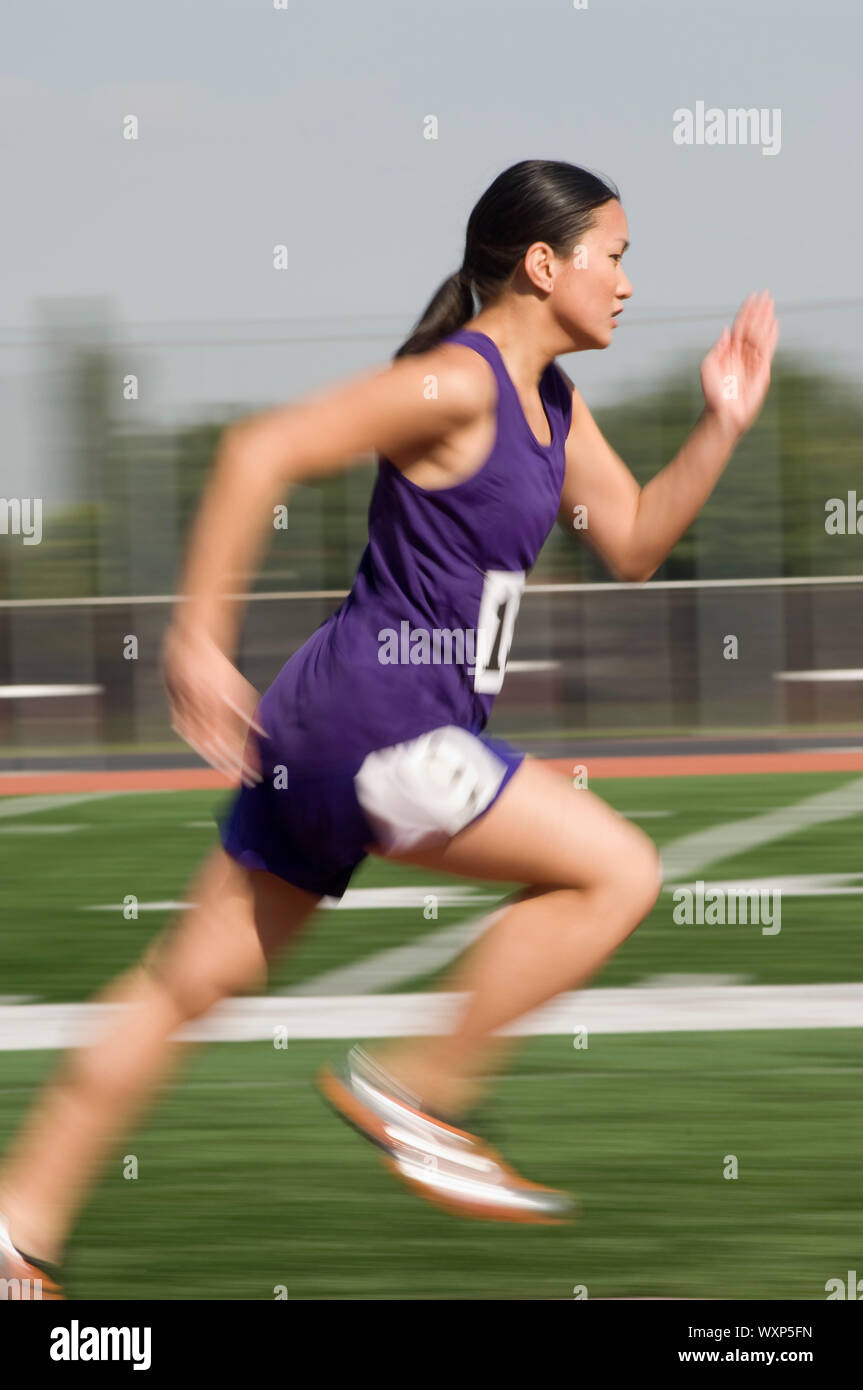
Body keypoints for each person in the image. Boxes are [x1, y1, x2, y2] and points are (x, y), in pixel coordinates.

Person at [0, 159, 778, 1294]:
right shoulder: (456, 385)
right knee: (615, 870)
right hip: (380, 720)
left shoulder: (551, 407)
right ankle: (418, 1090)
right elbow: (257, 448)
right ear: (542, 261)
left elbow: (633, 542)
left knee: (186, 981)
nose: (624, 284)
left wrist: (720, 423)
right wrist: (194, 639)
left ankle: (16, 1231)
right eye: (613, 256)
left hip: (332, 727)